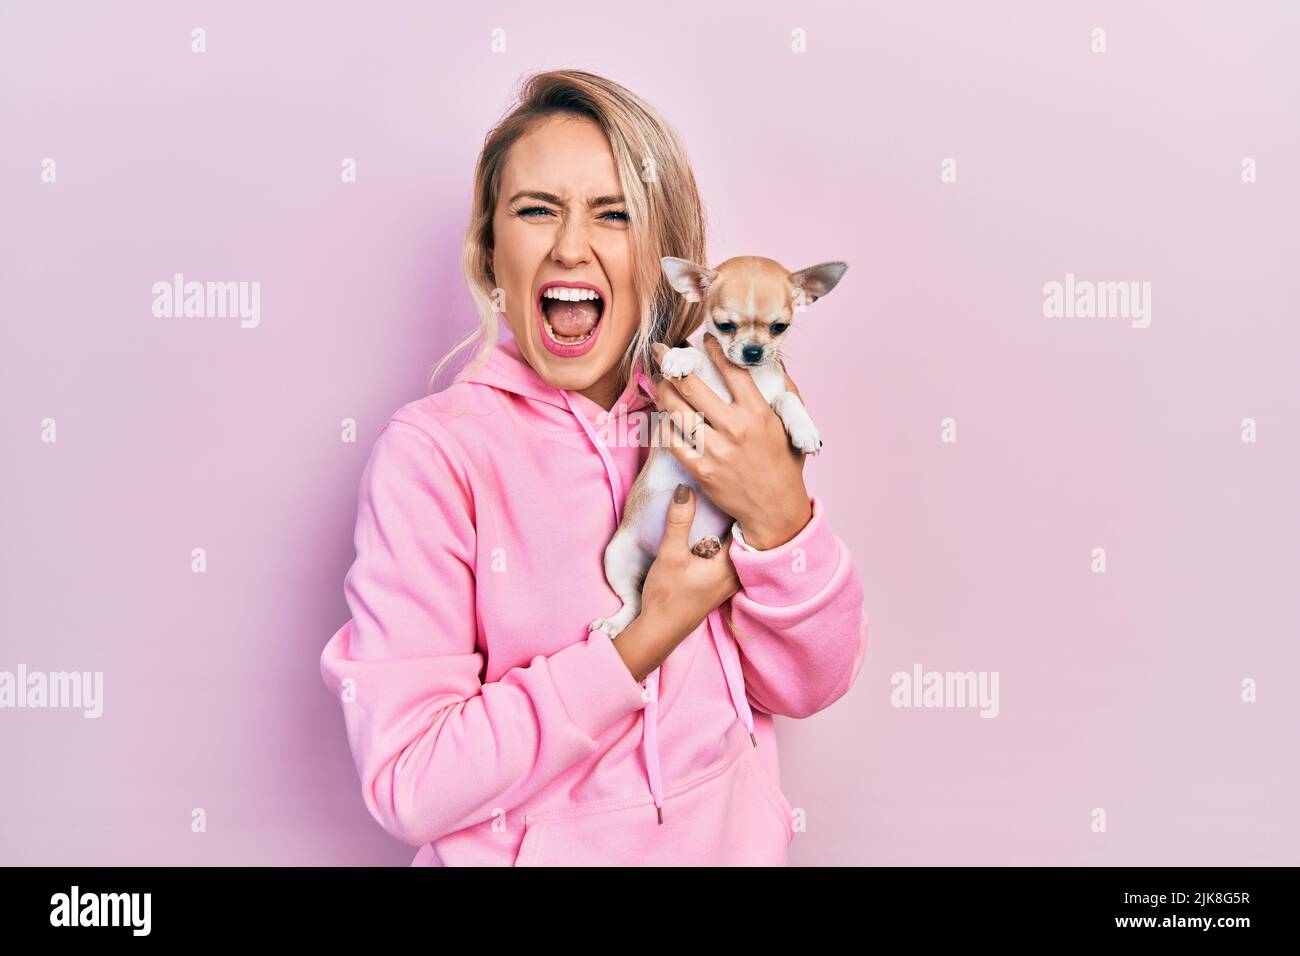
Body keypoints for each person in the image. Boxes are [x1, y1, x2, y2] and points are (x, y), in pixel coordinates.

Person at [319, 69, 868, 866]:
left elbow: (810, 685)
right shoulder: (434, 457)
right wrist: (642, 640)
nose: (571, 245)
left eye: (614, 214)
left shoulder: (719, 415)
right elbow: (412, 779)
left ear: (663, 254)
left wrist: (780, 510)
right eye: (537, 210)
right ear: (488, 249)